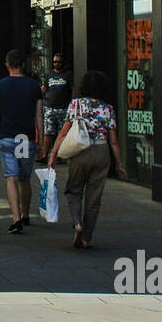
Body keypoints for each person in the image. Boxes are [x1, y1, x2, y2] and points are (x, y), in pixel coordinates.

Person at [47, 71, 126, 249]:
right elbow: (113, 140)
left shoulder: (76, 104)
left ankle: (77, 222)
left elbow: (63, 132)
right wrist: (119, 164)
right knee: (94, 198)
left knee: (74, 189)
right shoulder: (108, 108)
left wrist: (53, 154)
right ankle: (86, 238)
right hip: (101, 151)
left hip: (80, 151)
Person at [0, 48, 44, 234]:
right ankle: (25, 214)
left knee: (10, 177)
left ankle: (15, 217)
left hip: (7, 137)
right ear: (23, 65)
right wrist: (42, 142)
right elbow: (39, 116)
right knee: (24, 178)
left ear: (7, 65)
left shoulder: (0, 86)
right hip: (25, 138)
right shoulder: (34, 86)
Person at [41, 52, 74, 158]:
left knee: (62, 133)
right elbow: (44, 88)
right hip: (50, 107)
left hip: (64, 108)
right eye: (55, 62)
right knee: (48, 132)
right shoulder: (49, 74)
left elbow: (73, 89)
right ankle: (44, 154)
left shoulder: (68, 75)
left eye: (59, 62)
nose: (57, 64)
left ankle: (59, 156)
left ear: (62, 62)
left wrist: (72, 104)